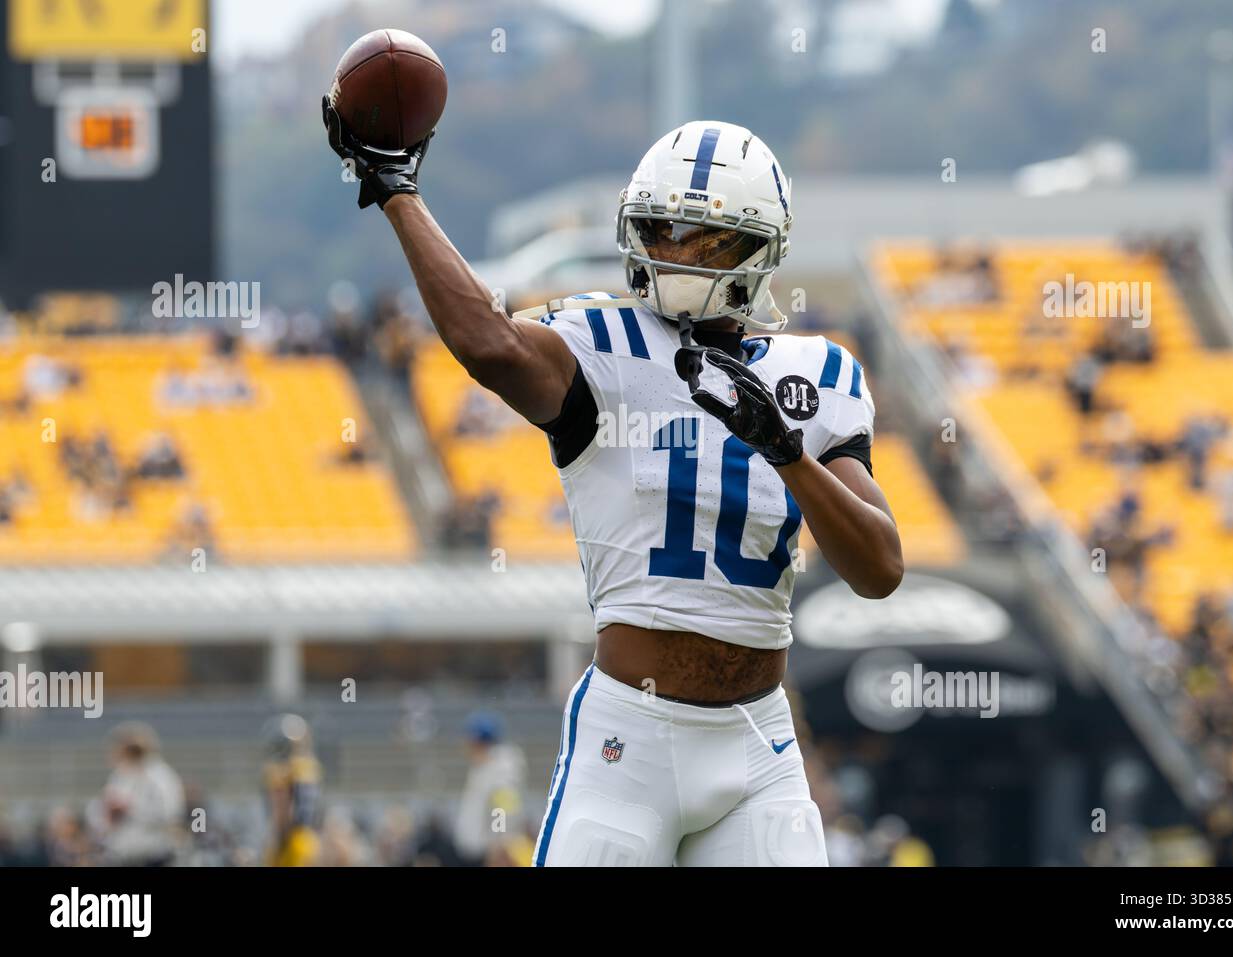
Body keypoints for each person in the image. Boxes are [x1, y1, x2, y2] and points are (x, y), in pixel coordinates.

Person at [323, 111, 903, 867]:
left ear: (760, 250)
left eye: (705, 238)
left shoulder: (818, 373)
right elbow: (487, 343)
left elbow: (880, 568)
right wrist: (398, 190)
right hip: (628, 739)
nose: (676, 253)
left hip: (758, 743)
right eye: (661, 229)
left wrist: (786, 452)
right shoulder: (604, 343)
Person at [89, 723, 185, 866]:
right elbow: (99, 812)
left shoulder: (161, 776)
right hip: (122, 854)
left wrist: (131, 809)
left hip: (154, 853)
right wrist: (108, 815)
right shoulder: (118, 777)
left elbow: (170, 812)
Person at [452, 712, 527, 866]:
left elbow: (503, 808)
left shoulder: (501, 769)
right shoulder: (484, 767)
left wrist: (498, 844)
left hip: (488, 854)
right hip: (477, 852)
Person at [262, 713, 323, 867]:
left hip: (294, 839)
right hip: (305, 837)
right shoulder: (309, 767)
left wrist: (278, 838)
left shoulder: (290, 771)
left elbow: (286, 811)